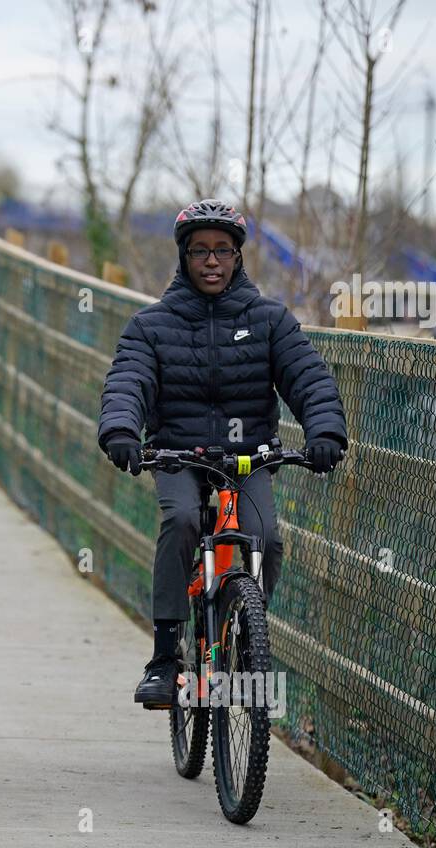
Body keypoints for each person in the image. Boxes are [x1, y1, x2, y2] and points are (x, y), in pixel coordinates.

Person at [97, 199, 347, 707]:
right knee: (184, 519)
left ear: (238, 258)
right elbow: (128, 381)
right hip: (177, 454)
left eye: (223, 251)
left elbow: (310, 380)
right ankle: (165, 657)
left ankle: (246, 630)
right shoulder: (152, 325)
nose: (212, 261)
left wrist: (325, 433)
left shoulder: (270, 321)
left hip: (247, 457)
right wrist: (122, 429)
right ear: (184, 258)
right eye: (200, 252)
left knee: (267, 539)